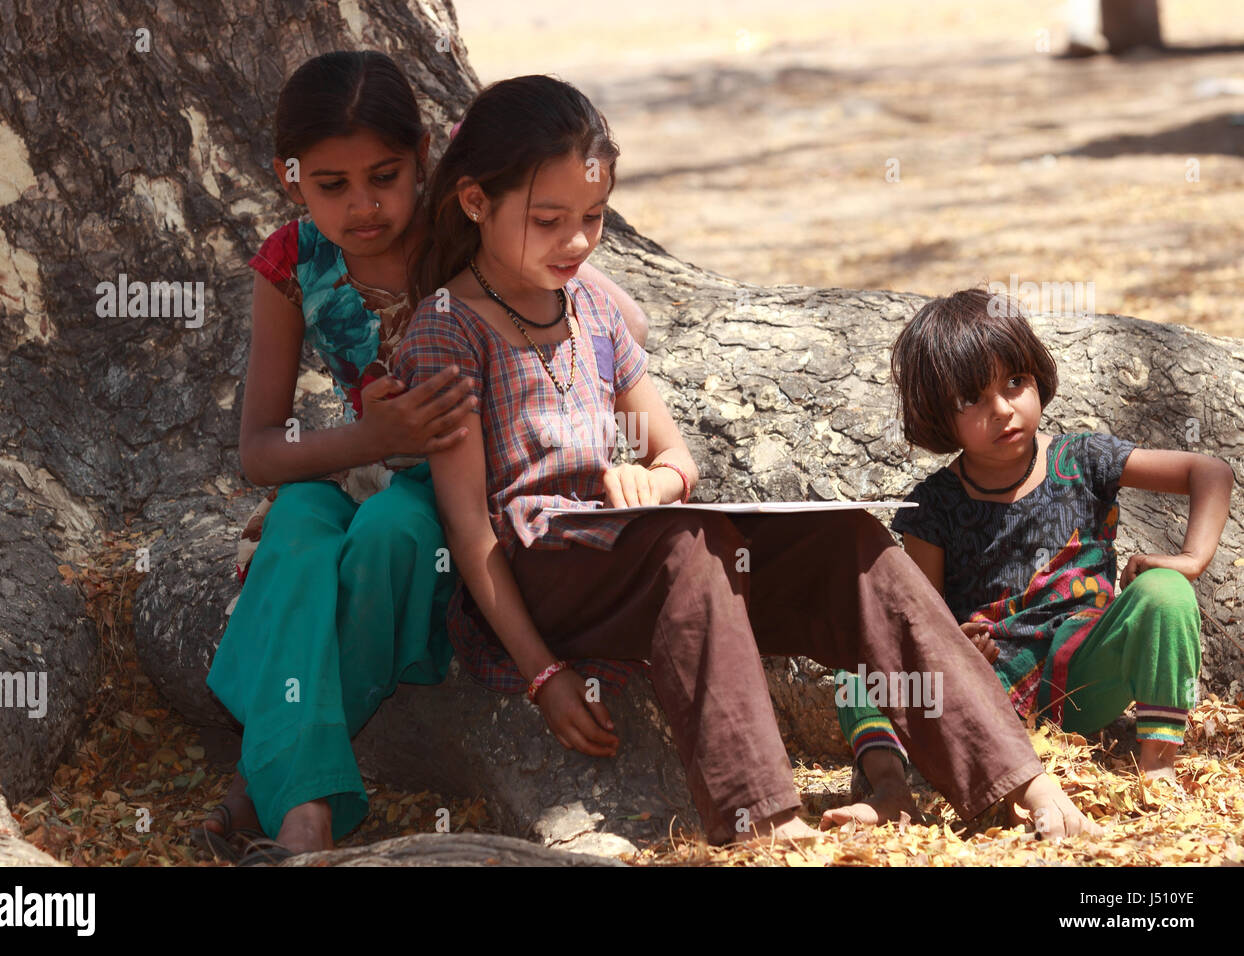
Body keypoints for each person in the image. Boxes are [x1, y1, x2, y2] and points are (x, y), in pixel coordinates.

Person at [394, 74, 1102, 845]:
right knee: (692, 550)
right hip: (545, 571)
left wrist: (651, 480)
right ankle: (760, 819)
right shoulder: (448, 329)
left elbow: (675, 459)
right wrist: (542, 675)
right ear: (474, 202)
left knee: (851, 544)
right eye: (548, 220)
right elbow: (469, 529)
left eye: (593, 218)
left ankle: (1015, 776)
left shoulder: (591, 306)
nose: (576, 242)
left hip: (637, 548)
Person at [199, 51, 649, 859]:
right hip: (356, 461)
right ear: (290, 176)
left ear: (424, 164)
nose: (365, 206)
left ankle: (273, 786)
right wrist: (369, 438)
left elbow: (620, 320)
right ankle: (304, 812)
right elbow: (261, 453)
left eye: (387, 175)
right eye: (331, 185)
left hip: (453, 485)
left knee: (393, 537)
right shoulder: (292, 265)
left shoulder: (460, 239)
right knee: (297, 524)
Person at [826, 289, 1233, 828]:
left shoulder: (1083, 459)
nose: (1002, 409)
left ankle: (1156, 767)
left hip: (1086, 672)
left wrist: (1191, 559)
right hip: (986, 698)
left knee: (1166, 593)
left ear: (1037, 377)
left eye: (1014, 383)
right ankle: (889, 791)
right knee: (860, 668)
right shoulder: (933, 506)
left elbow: (1209, 472)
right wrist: (961, 644)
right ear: (937, 418)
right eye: (971, 400)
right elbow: (924, 622)